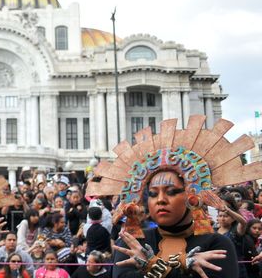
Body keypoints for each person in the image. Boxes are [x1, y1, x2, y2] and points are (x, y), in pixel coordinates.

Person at [86, 116, 262, 278]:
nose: (160, 200)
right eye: (153, 194)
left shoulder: (217, 243)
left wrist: (153, 266)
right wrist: (182, 265)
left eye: (171, 192)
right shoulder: (132, 242)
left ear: (192, 195)